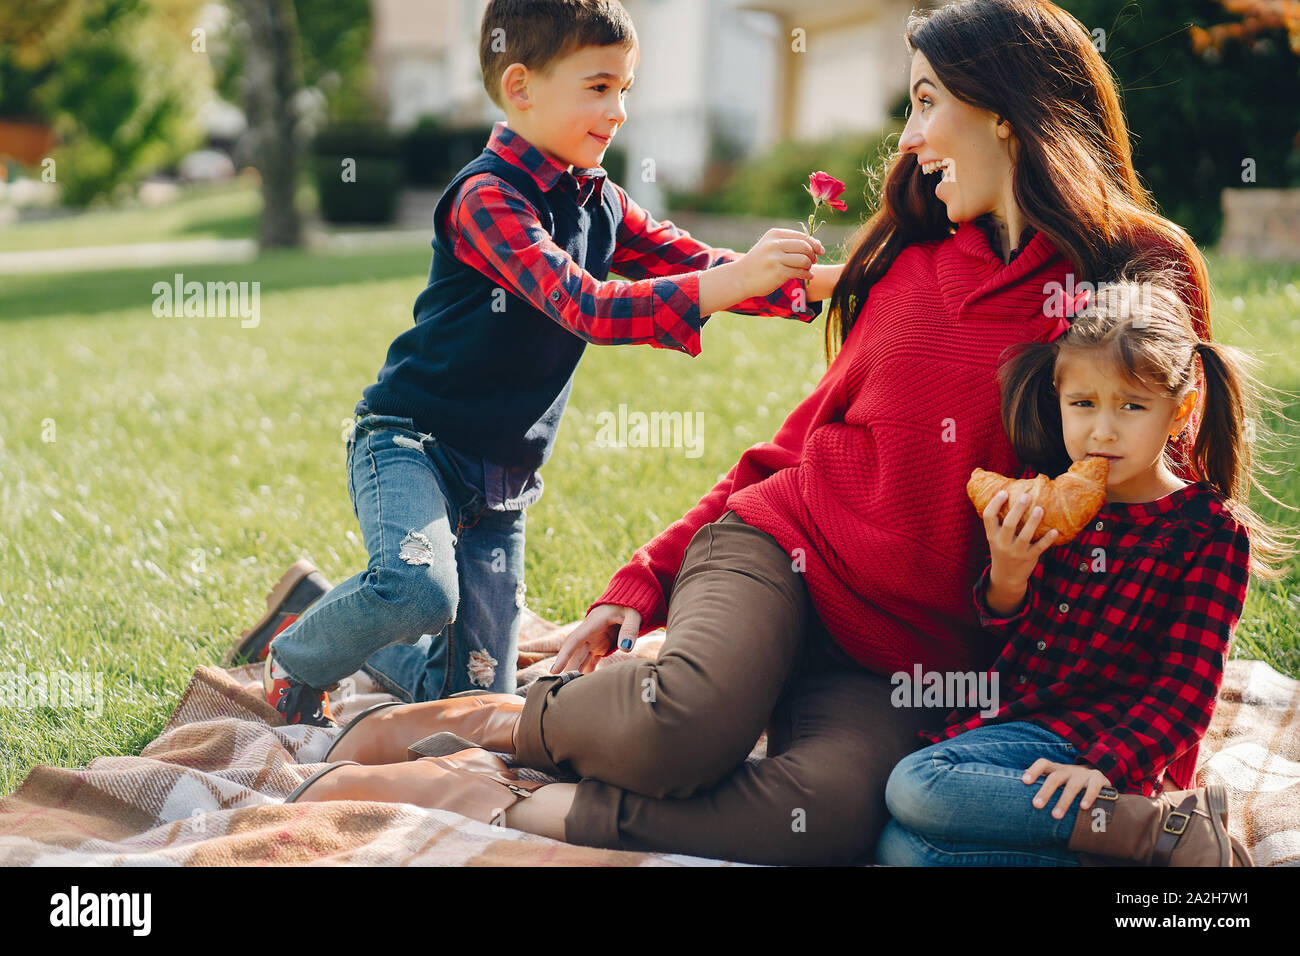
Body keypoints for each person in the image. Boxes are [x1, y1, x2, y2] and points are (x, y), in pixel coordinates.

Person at [280, 0, 1239, 866]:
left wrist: (1098, 712)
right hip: (781, 549)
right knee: (681, 731)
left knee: (828, 817)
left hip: (913, 652)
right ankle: (500, 720)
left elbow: (1166, 492)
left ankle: (505, 800)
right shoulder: (910, 261)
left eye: (925, 104)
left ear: (1003, 109)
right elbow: (798, 443)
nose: (909, 140)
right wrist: (646, 577)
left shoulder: (1134, 271)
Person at [224, 0, 837, 725]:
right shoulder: (488, 198)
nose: (619, 111)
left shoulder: (599, 200)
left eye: (626, 88)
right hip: (412, 443)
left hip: (503, 480)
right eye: (599, 86)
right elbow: (586, 306)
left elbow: (696, 262)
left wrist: (835, 282)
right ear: (521, 87)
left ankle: (312, 607)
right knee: (420, 589)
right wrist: (730, 279)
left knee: (472, 700)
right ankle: (298, 657)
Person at [876, 278, 1294, 866]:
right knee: (903, 849)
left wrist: (1102, 765)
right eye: (1084, 404)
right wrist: (1009, 575)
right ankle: (1147, 853)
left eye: (1131, 406)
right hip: (1024, 722)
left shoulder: (1207, 534)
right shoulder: (1048, 499)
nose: (1103, 429)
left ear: (1182, 411)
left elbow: (1185, 690)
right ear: (1059, 399)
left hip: (1114, 749)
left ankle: (1155, 827)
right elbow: (1004, 635)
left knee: (916, 786)